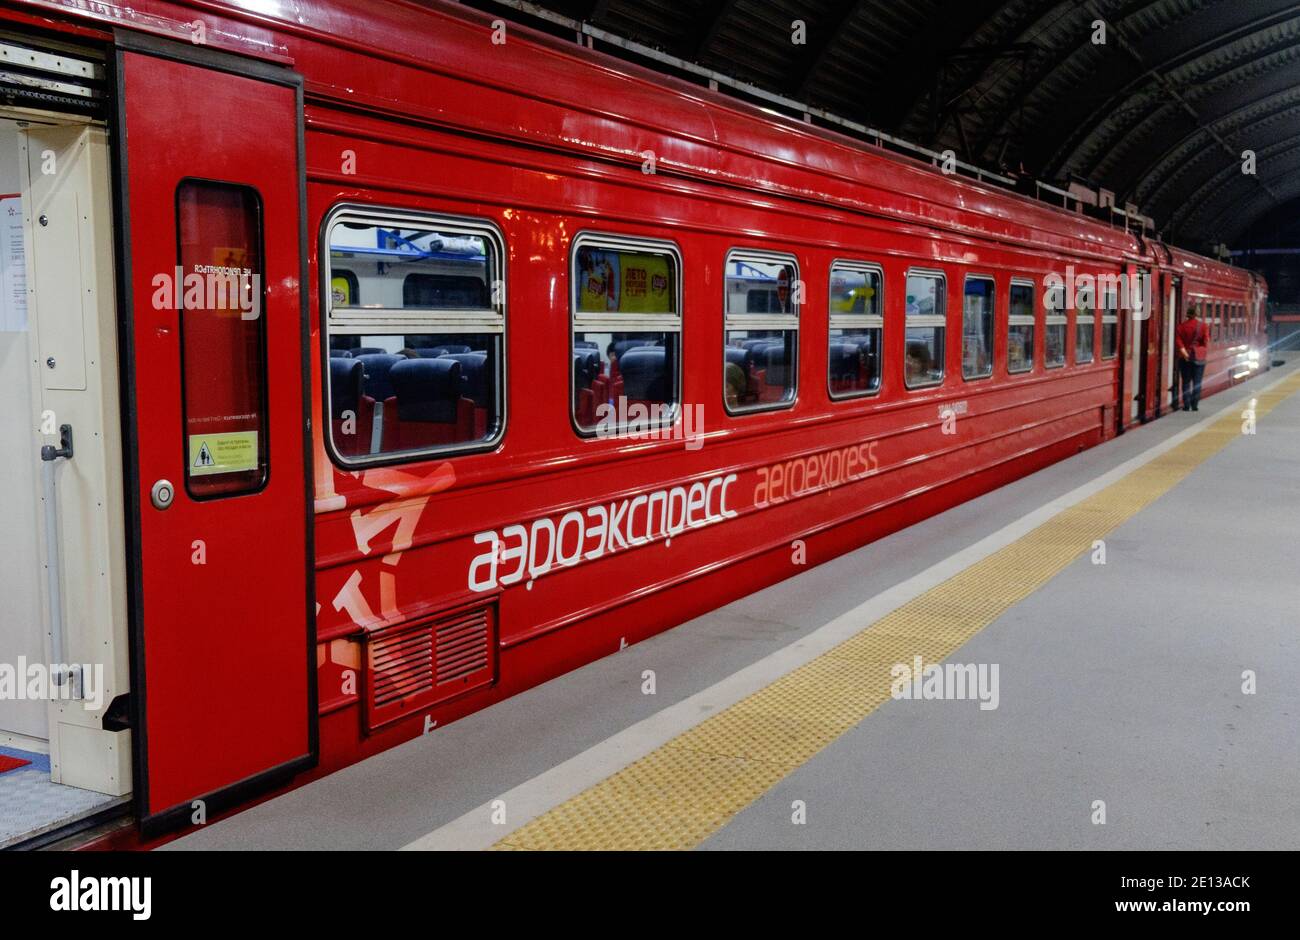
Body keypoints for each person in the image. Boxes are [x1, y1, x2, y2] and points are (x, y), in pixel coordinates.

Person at [1175, 306, 1209, 411]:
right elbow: (1206, 341)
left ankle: (1186, 405)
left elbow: (1178, 341)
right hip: (1198, 358)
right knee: (1197, 382)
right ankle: (1195, 405)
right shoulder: (1203, 326)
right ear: (1197, 314)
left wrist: (1184, 352)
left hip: (1184, 358)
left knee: (1186, 382)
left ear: (1188, 314)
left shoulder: (1181, 326)